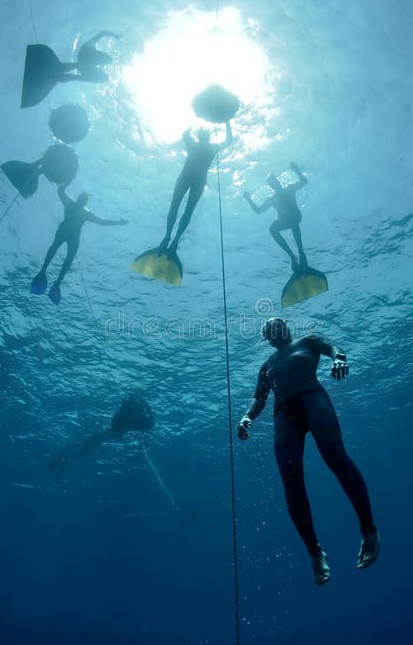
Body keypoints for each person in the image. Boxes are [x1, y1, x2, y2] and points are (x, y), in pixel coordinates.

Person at [237, 317, 380, 586]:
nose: (273, 330)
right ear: (266, 339)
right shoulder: (266, 367)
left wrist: (340, 358)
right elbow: (259, 398)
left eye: (277, 324)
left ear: (287, 327)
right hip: (283, 415)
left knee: (336, 458)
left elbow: (333, 347)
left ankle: (369, 530)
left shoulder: (309, 341)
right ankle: (314, 551)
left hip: (312, 398)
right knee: (291, 483)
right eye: (269, 329)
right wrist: (247, 417)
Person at [131, 122, 233, 285]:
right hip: (191, 178)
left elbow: (226, 141)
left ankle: (173, 239)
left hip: (191, 178)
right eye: (202, 134)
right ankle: (169, 238)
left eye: (203, 134)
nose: (203, 136)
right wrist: (222, 122)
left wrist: (225, 123)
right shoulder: (204, 145)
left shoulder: (206, 146)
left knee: (185, 210)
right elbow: (187, 134)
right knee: (179, 208)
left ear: (203, 136)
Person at [31, 185, 127, 304]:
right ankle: (48, 274)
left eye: (84, 199)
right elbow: (60, 191)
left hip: (69, 233)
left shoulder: (77, 208)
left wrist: (118, 223)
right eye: (82, 198)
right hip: (70, 233)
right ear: (80, 199)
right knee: (61, 252)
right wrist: (119, 223)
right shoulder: (76, 207)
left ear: (83, 201)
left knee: (63, 253)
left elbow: (102, 222)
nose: (82, 201)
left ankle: (51, 277)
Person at [49, 393, 154, 481]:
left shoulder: (124, 420)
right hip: (107, 434)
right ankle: (62, 458)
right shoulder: (123, 424)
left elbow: (122, 418)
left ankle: (61, 459)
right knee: (83, 449)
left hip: (110, 432)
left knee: (83, 449)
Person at [244, 162, 308, 271]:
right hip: (288, 219)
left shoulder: (289, 188)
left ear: (278, 182)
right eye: (272, 184)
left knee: (292, 220)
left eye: (275, 182)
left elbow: (304, 182)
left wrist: (297, 170)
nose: (275, 185)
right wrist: (249, 199)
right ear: (271, 186)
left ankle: (300, 252)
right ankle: (293, 255)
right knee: (273, 229)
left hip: (295, 216)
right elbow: (259, 211)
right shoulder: (273, 199)